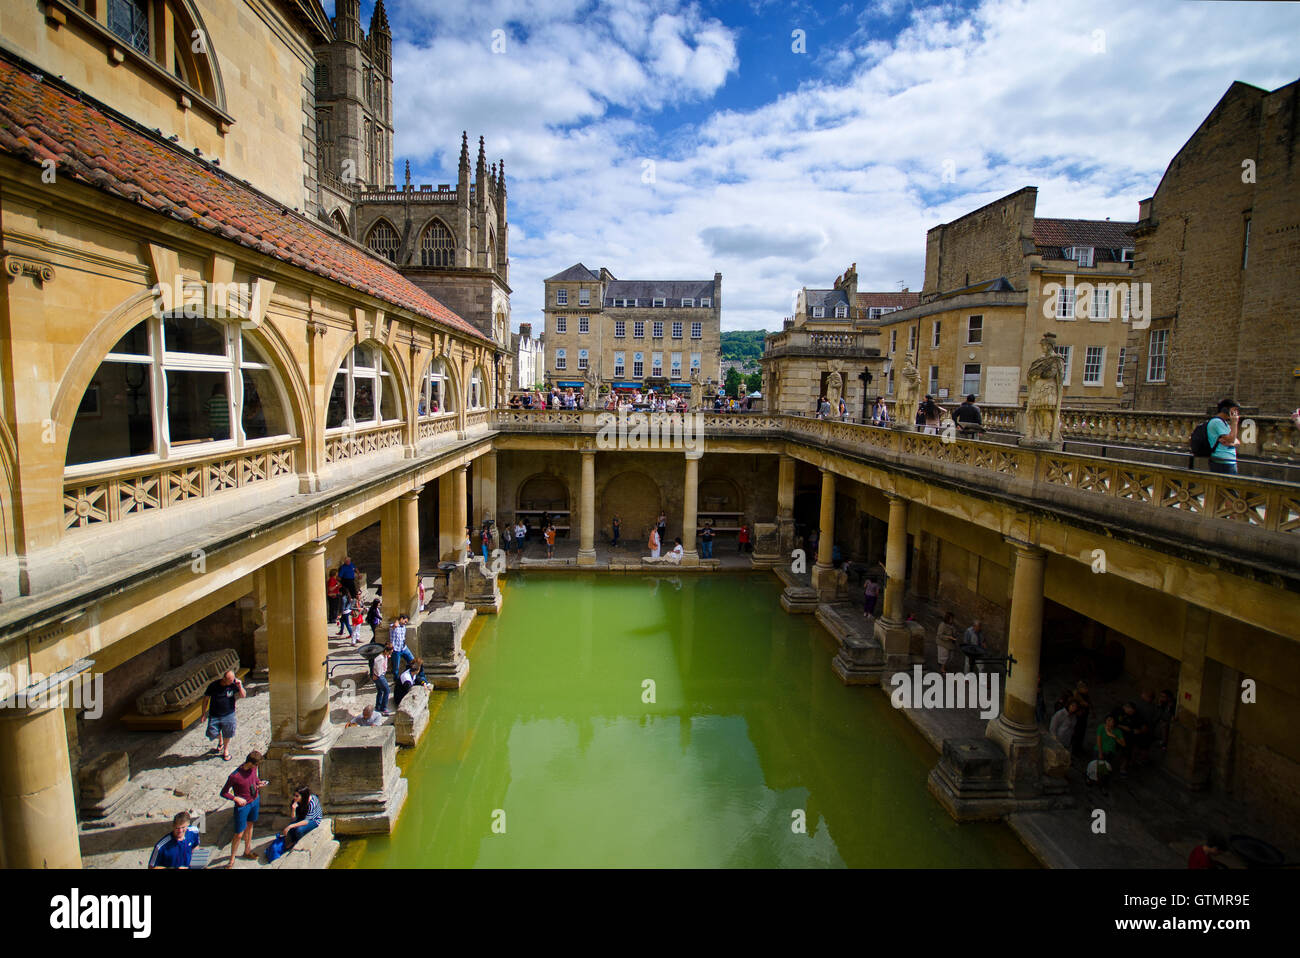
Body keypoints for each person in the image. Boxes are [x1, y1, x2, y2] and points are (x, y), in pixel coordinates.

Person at [220, 751, 267, 867]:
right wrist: (236, 798)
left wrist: (258, 783)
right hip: (243, 806)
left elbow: (254, 778)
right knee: (239, 834)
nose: (257, 767)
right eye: (256, 765)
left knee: (250, 826)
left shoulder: (253, 769)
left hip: (254, 801)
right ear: (251, 763)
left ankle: (247, 850)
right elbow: (224, 792)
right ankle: (231, 860)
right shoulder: (234, 776)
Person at [201, 669, 245, 761]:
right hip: (215, 714)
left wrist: (240, 686)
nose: (231, 682)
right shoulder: (213, 685)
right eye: (229, 681)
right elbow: (205, 699)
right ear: (224, 678)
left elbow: (243, 695)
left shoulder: (233, 685)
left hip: (228, 714)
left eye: (232, 680)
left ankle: (226, 749)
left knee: (228, 733)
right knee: (211, 733)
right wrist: (203, 714)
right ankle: (220, 739)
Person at [1207, 398, 1242, 475]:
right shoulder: (1217, 422)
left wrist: (1231, 442)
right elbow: (1232, 439)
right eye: (1234, 410)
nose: (1236, 413)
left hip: (1229, 460)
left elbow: (1237, 441)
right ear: (1225, 410)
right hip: (1222, 461)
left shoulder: (1224, 423)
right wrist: (1235, 423)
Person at [282, 786, 323, 850]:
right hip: (303, 817)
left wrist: (290, 826)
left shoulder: (312, 802)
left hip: (313, 820)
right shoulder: (295, 801)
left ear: (303, 796)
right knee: (292, 829)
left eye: (297, 796)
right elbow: (293, 818)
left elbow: (306, 821)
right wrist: (293, 809)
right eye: (294, 795)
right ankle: (294, 841)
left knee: (299, 830)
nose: (294, 797)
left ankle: (300, 843)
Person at [1094, 714, 1125, 792]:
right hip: (1100, 750)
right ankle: (1098, 782)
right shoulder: (1101, 727)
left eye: (1112, 721)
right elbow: (1098, 741)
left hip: (1110, 752)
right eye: (1108, 720)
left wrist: (1114, 736)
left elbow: (1123, 744)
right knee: (1100, 768)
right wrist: (1100, 753)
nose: (1109, 722)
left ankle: (1103, 785)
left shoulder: (1117, 731)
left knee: (1106, 770)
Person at [389, 613, 413, 681]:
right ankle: (396, 680)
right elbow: (393, 626)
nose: (405, 623)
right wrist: (397, 621)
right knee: (396, 667)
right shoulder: (394, 626)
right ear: (401, 619)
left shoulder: (403, 627)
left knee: (412, 661)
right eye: (405, 621)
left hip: (403, 648)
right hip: (396, 649)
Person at [372, 644, 392, 715]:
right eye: (389, 652)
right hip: (379, 676)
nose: (390, 654)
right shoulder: (379, 658)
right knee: (387, 690)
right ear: (385, 651)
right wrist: (375, 675)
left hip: (380, 675)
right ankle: (383, 708)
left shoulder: (384, 656)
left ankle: (378, 707)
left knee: (380, 691)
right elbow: (375, 666)